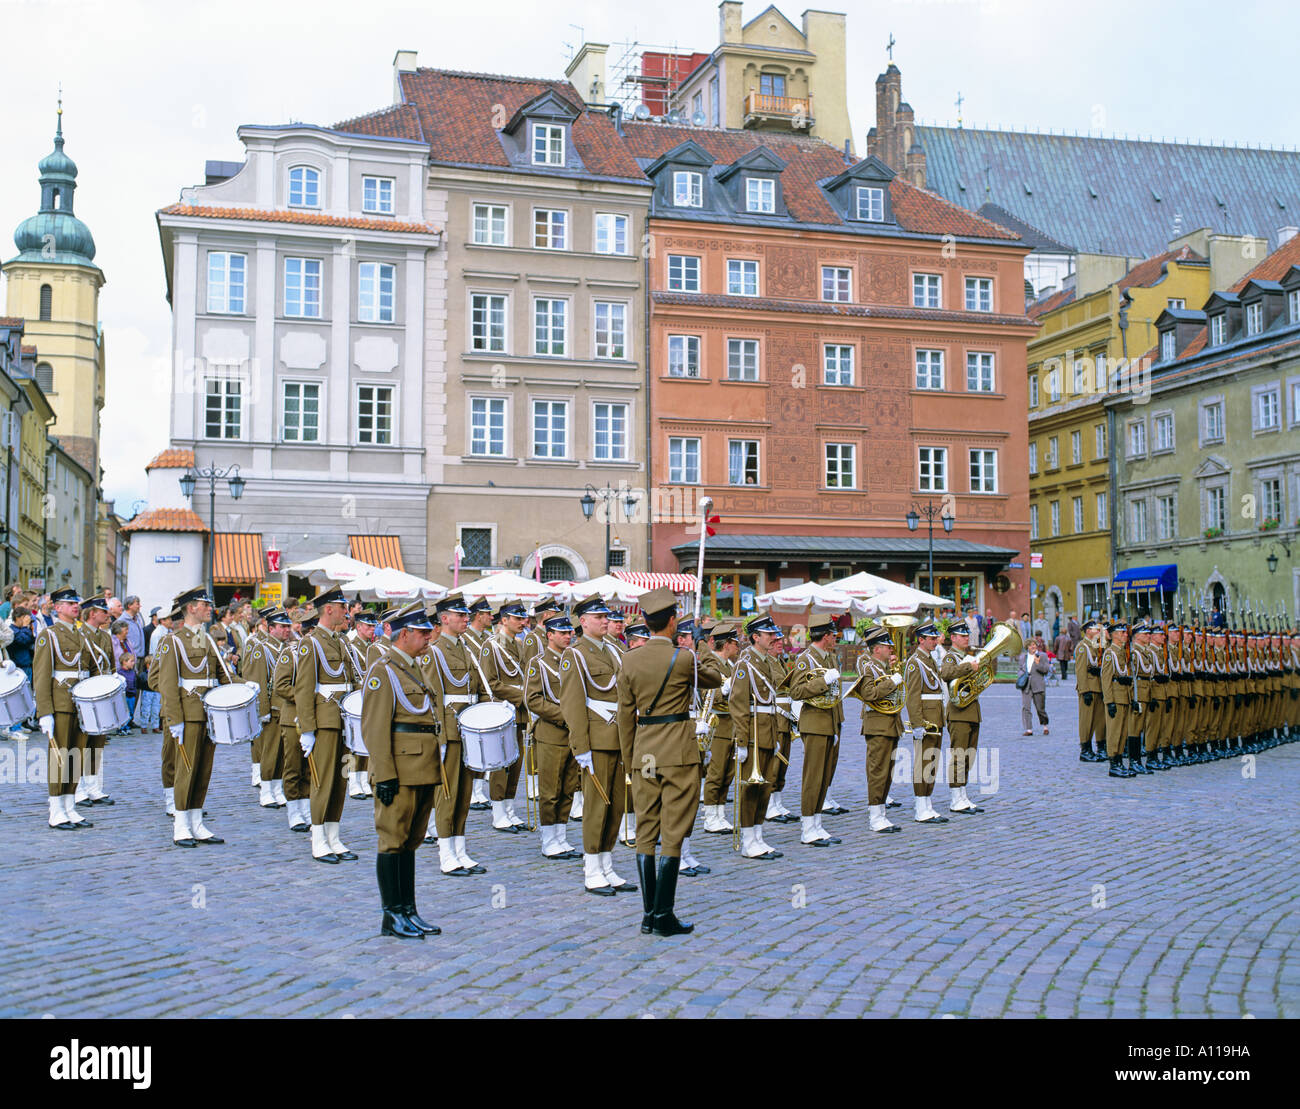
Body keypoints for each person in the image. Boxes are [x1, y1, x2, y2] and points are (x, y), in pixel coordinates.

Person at [615, 587, 723, 936]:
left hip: (643, 753)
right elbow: (716, 679)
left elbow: (624, 715)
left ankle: (648, 915)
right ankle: (664, 915)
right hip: (677, 752)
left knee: (646, 831)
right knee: (673, 833)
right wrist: (698, 646)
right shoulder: (684, 658)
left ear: (645, 623)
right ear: (674, 621)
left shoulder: (629, 660)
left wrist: (630, 759)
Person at [364, 601, 443, 939]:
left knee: (411, 842)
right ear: (405, 634)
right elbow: (374, 728)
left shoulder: (415, 666)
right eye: (423, 632)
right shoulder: (383, 670)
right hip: (399, 769)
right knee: (392, 841)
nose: (429, 637)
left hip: (422, 766)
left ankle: (409, 910)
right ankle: (391, 914)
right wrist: (384, 774)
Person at [560, 595, 634, 897]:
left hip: (619, 738)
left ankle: (607, 862)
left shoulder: (616, 651)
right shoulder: (575, 655)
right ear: (583, 621)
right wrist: (581, 748)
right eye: (598, 616)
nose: (606, 621)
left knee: (617, 805)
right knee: (596, 805)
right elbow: (572, 705)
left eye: (607, 616)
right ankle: (591, 867)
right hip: (597, 741)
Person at [157, 586, 235, 845]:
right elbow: (167, 684)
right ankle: (181, 824)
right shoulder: (172, 641)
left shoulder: (208, 639)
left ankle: (196, 821)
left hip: (208, 714)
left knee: (203, 770)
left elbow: (222, 675)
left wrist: (245, 685)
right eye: (204, 604)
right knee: (186, 770)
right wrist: (174, 719)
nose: (209, 608)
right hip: (188, 715)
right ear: (191, 608)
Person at [294, 587, 363, 864]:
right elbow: (304, 689)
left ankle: (333, 835)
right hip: (324, 724)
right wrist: (308, 729)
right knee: (322, 782)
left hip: (343, 721)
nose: (347, 612)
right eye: (343, 607)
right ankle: (319, 838)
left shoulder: (342, 642)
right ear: (329, 609)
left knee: (340, 781)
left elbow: (354, 679)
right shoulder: (311, 643)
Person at [420, 594, 488, 876]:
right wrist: (442, 738)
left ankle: (460, 848)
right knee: (447, 792)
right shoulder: (434, 651)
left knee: (464, 792)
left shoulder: (467, 649)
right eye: (459, 615)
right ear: (444, 619)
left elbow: (478, 689)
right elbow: (433, 700)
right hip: (451, 730)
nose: (465, 619)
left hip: (469, 728)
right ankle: (446, 852)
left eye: (465, 615)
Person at [33, 587, 99, 829]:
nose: (75, 607)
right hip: (60, 703)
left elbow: (91, 669)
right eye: (69, 603)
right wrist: (45, 712)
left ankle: (70, 805)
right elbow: (41, 676)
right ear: (57, 607)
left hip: (80, 704)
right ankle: (56, 808)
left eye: (76, 603)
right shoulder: (48, 635)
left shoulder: (82, 635)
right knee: (60, 757)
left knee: (76, 756)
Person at [525, 610, 581, 861]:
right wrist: (565, 715)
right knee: (550, 789)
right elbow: (533, 699)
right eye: (562, 632)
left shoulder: (574, 661)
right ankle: (549, 838)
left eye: (569, 632)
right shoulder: (538, 663)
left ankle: (561, 835)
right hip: (551, 733)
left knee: (569, 787)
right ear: (550, 635)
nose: (568, 636)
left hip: (572, 735)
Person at [786, 616, 844, 846]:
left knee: (824, 775)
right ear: (826, 635)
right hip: (814, 723)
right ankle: (807, 826)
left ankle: (817, 823)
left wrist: (838, 722)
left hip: (829, 722)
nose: (835, 639)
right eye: (833, 635)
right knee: (813, 776)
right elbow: (796, 691)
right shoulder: (806, 659)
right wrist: (823, 682)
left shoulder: (829, 657)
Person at [478, 600, 529, 832]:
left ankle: (509, 810)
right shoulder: (492, 646)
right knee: (501, 764)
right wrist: (521, 695)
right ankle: (498, 812)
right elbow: (490, 683)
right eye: (517, 619)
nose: (522, 622)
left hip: (518, 712)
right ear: (504, 620)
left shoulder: (518, 645)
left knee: (516, 762)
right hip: (502, 710)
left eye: (523, 618)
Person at [856, 625, 905, 832]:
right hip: (877, 726)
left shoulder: (882, 668)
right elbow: (869, 693)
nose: (891, 649)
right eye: (887, 646)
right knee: (878, 771)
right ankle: (875, 816)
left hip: (890, 725)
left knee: (887, 772)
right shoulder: (869, 668)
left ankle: (881, 812)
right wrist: (892, 682)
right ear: (877, 649)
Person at [244, 607, 293, 808]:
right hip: (271, 709)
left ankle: (276, 788)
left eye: (288, 626)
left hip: (284, 709)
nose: (287, 630)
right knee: (270, 751)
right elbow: (258, 682)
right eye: (282, 627)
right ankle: (266, 791)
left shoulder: (285, 649)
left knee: (282, 753)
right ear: (271, 628)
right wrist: (261, 711)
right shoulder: (261, 648)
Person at [938, 620, 988, 814]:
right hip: (958, 712)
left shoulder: (967, 656)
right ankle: (954, 798)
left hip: (971, 710)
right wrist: (969, 667)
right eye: (963, 636)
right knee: (959, 755)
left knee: (969, 756)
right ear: (953, 638)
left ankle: (963, 795)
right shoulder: (951, 657)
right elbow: (947, 673)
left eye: (967, 635)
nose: (967, 638)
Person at [903, 621, 948, 825]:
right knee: (923, 763)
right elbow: (912, 696)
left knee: (932, 763)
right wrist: (917, 724)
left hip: (935, 718)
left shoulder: (928, 660)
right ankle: (920, 806)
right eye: (931, 638)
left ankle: (927, 802)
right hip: (925, 720)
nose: (935, 641)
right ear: (921, 640)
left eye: (935, 638)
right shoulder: (915, 662)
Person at [699, 622, 740, 834]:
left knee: (728, 772)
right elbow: (708, 694)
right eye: (735, 642)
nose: (738, 646)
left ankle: (720, 812)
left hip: (731, 723)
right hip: (718, 724)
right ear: (727, 644)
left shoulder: (731, 665)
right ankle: (710, 816)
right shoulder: (712, 662)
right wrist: (723, 689)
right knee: (716, 772)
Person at [1100, 621, 1134, 778]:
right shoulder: (1110, 653)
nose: (1125, 635)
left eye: (1125, 633)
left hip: (1124, 696)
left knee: (1122, 731)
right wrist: (1109, 701)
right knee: (1114, 731)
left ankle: (1119, 760)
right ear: (1113, 635)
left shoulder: (1122, 652)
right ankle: (1113, 763)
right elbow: (1106, 679)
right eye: (1122, 632)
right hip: (1115, 697)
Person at [1073, 620, 1106, 762]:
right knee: (1086, 720)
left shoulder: (1096, 646)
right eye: (1095, 629)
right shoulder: (1083, 647)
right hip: (1089, 688)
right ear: (1087, 631)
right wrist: (1084, 690)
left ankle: (1098, 747)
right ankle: (1085, 749)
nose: (1098, 631)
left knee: (1098, 720)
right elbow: (1080, 671)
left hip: (1098, 687)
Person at [1018, 636, 1050, 736]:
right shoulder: (1023, 657)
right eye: (1031, 645)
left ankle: (1045, 725)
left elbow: (1045, 670)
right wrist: (1021, 675)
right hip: (1026, 685)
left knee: (1040, 708)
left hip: (1038, 685)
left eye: (1034, 645)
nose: (1033, 646)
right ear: (1027, 647)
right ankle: (1029, 729)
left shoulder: (1042, 656)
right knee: (1026, 707)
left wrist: (1037, 664)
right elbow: (1020, 669)